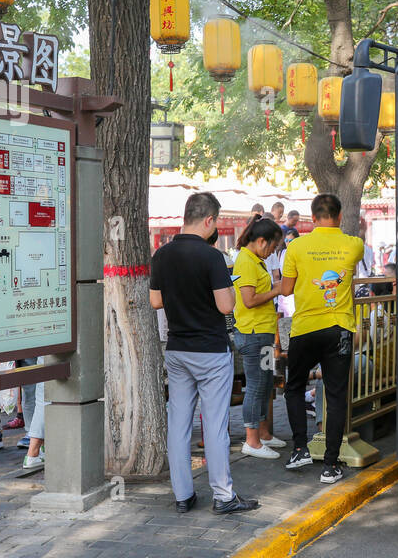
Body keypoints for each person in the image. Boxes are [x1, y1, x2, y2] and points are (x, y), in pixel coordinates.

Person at [150, 191, 259, 515]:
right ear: (209, 220)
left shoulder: (161, 255)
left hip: (178, 348)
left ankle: (183, 495)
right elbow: (226, 306)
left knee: (179, 423)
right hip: (211, 351)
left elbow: (156, 302)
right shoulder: (212, 257)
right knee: (214, 424)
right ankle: (223, 496)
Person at [278, 193, 364, 484]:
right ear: (339, 216)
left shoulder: (296, 246)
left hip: (304, 328)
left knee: (294, 387)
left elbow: (287, 290)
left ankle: (300, 448)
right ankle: (330, 465)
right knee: (337, 395)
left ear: (311, 218)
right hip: (339, 328)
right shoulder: (354, 245)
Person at [231, 217, 287, 460]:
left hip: (262, 332)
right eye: (272, 247)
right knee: (255, 386)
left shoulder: (256, 260)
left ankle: (263, 434)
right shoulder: (245, 261)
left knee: (264, 384)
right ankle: (252, 440)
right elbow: (249, 300)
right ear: (261, 240)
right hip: (252, 333)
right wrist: (277, 289)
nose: (272, 252)